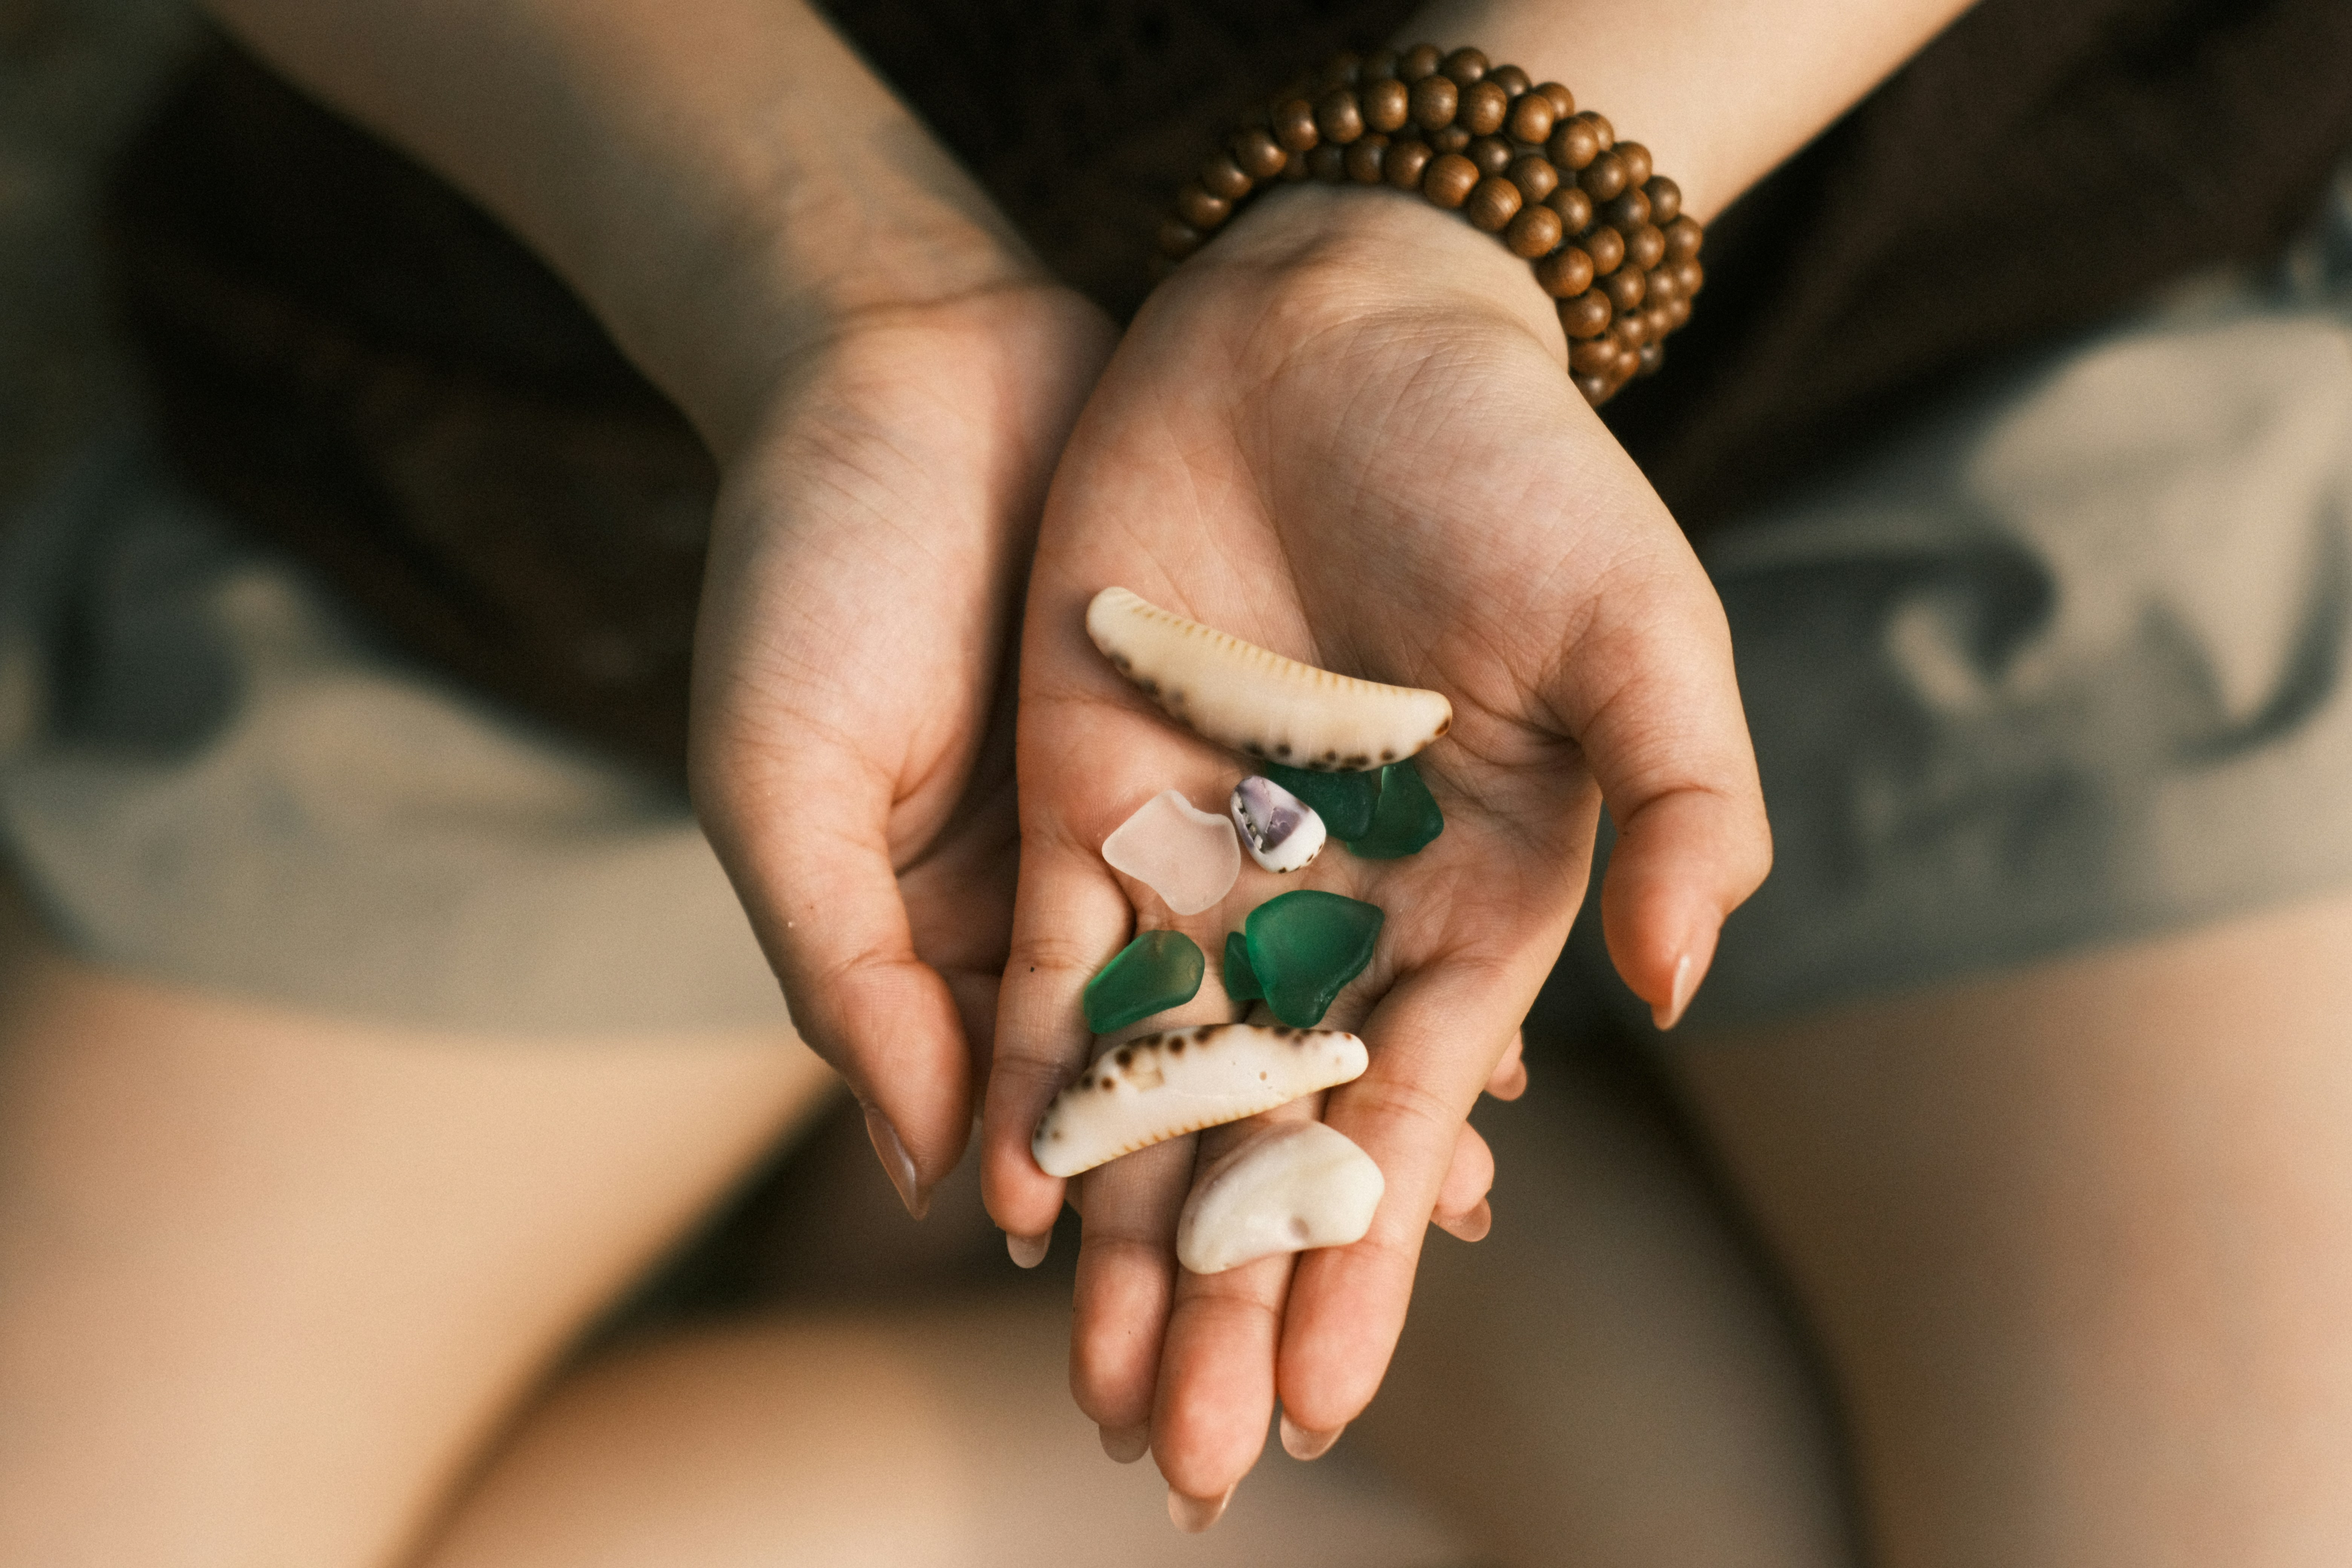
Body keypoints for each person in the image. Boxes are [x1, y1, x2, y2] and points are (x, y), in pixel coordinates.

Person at [2, 0, 2349, 1563]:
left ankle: (982, 1248)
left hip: (1958, 297)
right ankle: (1531, 1363)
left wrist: (1457, 232)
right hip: (589, 390)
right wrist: (829, 287)